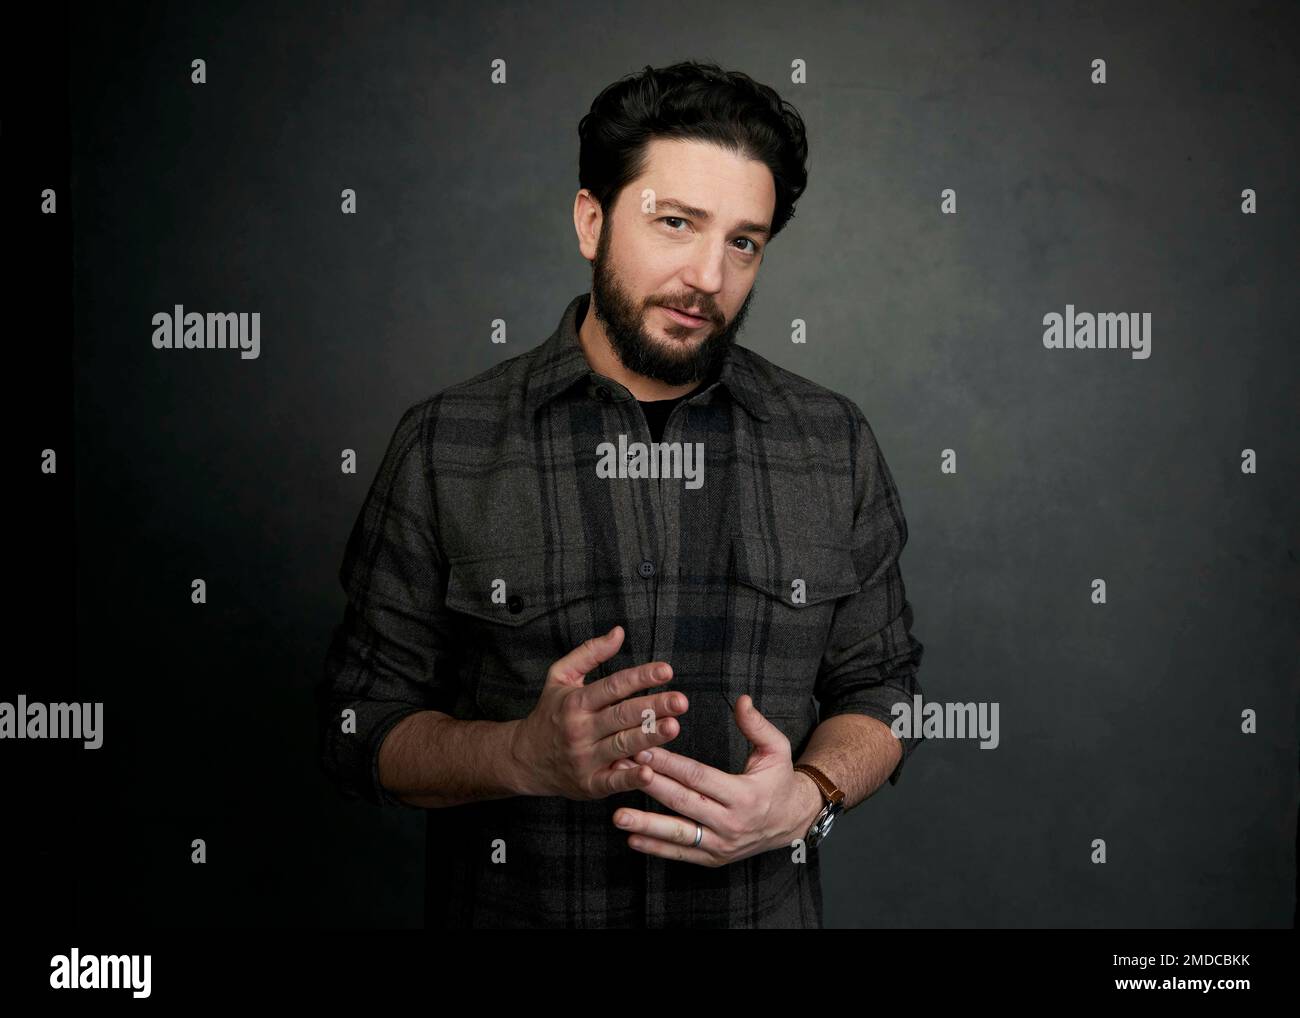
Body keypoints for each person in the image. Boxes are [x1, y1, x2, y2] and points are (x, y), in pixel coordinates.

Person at [316, 59, 925, 928]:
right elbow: (353, 729)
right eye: (675, 223)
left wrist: (810, 794)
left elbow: (888, 689)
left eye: (743, 242)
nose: (709, 277)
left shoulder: (831, 442)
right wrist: (516, 756)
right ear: (591, 220)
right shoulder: (447, 443)